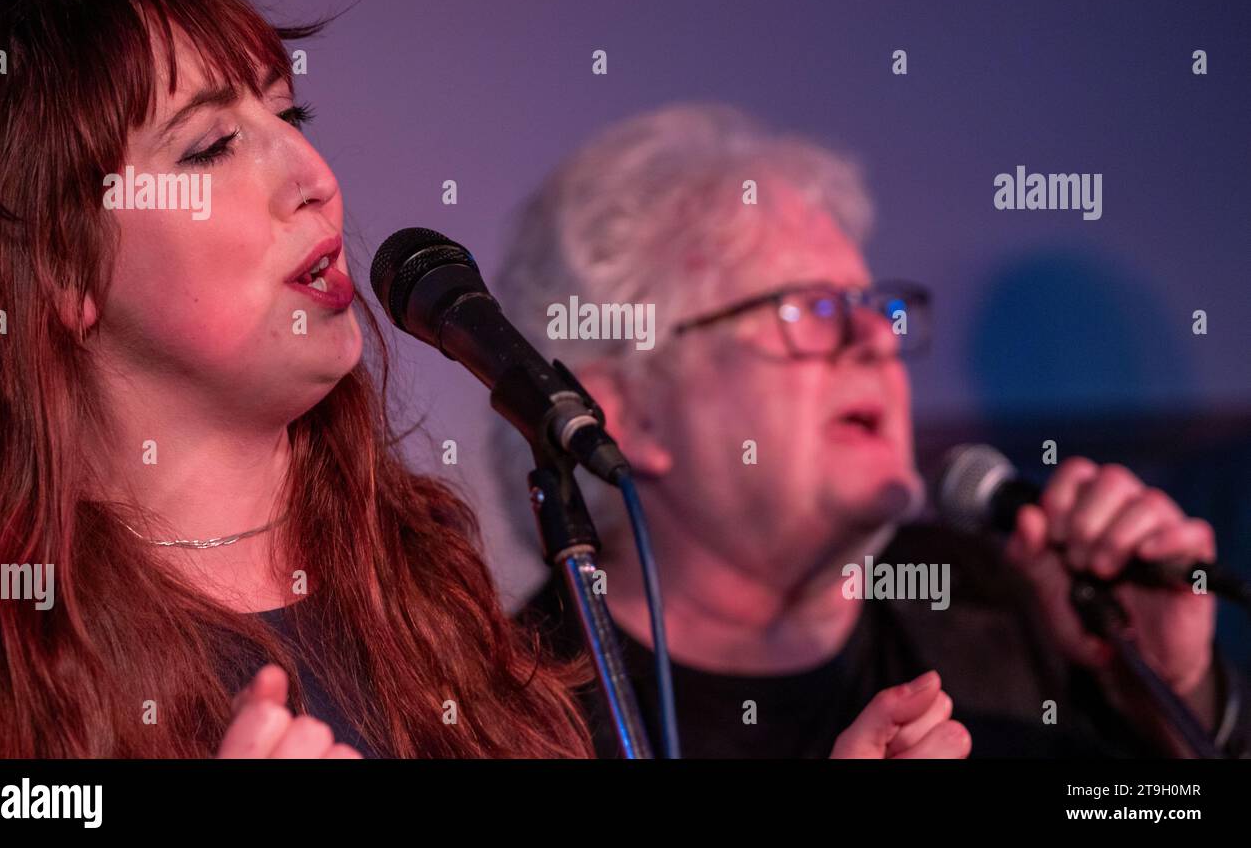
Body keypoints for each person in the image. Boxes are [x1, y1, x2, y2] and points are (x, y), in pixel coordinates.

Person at [0, 0, 592, 758]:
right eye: (211, 147)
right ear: (62, 269)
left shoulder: (425, 579)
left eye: (290, 117)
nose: (315, 176)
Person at [496, 102, 1251, 758]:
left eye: (877, 306)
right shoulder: (507, 716)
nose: (878, 339)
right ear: (628, 413)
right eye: (814, 311)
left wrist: (1167, 693)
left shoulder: (1011, 604)